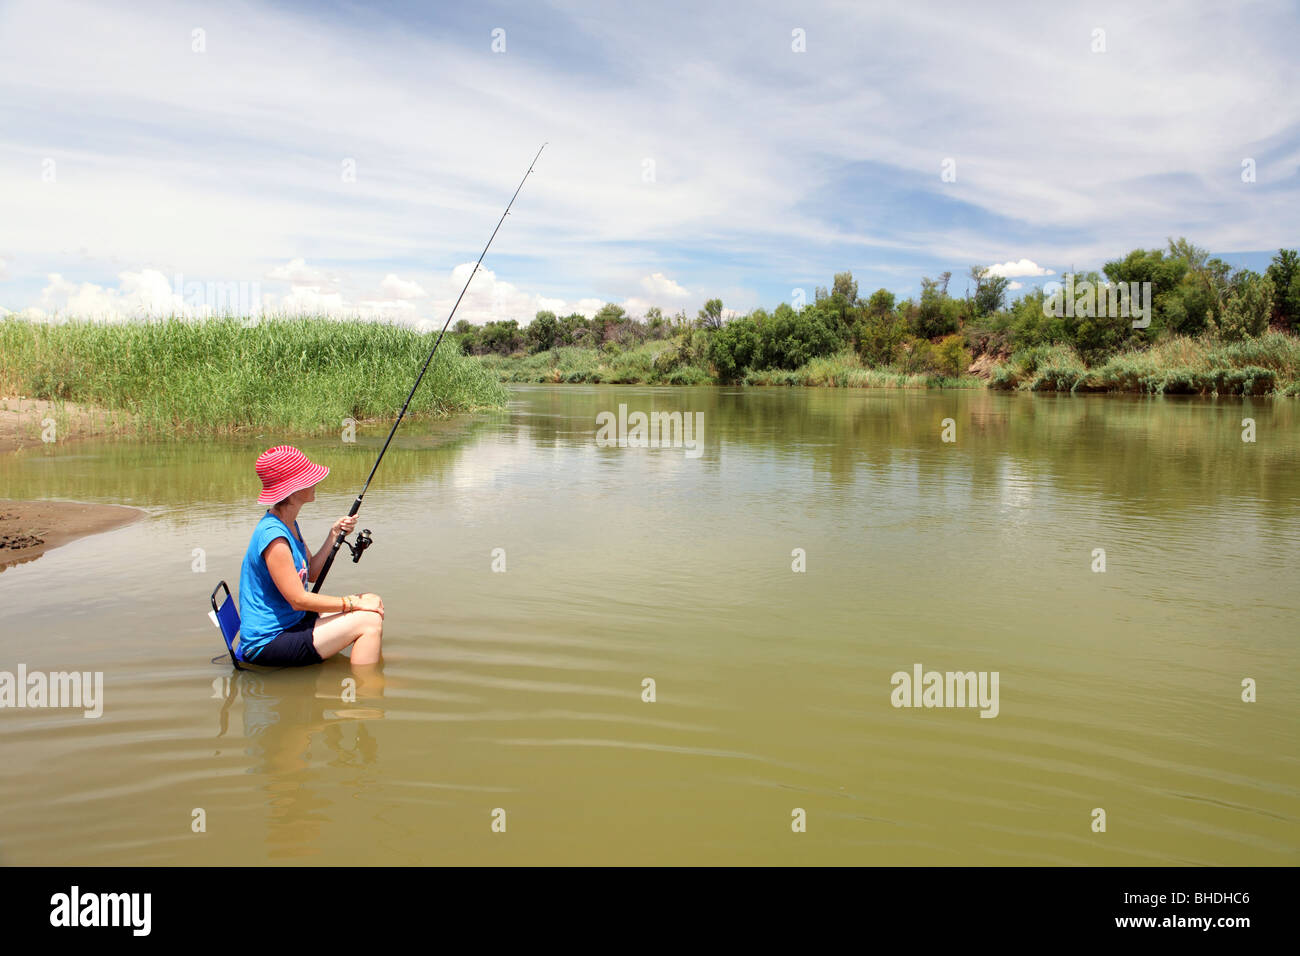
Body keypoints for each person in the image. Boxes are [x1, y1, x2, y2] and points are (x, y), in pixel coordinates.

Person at [238, 445, 384, 667]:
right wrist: (352, 603)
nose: (316, 483)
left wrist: (334, 534)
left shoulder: (288, 524)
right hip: (267, 642)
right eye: (309, 478)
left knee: (372, 604)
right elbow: (299, 600)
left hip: (293, 622)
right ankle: (368, 691)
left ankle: (373, 669)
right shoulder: (274, 538)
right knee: (369, 621)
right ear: (294, 490)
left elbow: (313, 573)